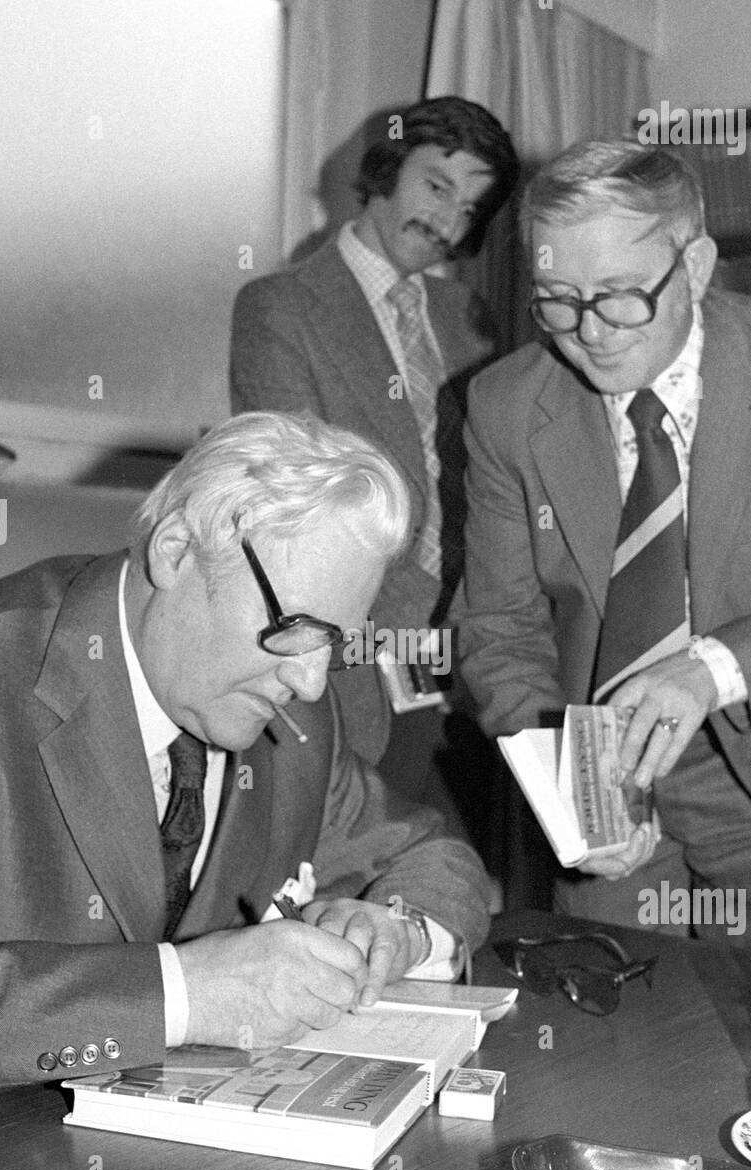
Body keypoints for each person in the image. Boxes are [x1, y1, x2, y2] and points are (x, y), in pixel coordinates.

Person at [0, 413, 490, 1102]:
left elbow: (430, 858)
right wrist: (184, 991)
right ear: (175, 551)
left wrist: (395, 929)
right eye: (296, 630)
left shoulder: (290, 712)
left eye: (337, 644)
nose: (312, 682)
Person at [459, 138, 751, 941]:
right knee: (613, 1043)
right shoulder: (503, 406)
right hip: (605, 794)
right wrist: (570, 788)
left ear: (694, 267)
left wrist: (706, 672)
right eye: (556, 298)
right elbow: (498, 630)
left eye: (620, 295)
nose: (587, 331)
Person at [230, 96, 519, 784]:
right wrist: (421, 622)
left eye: (471, 207)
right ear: (386, 169)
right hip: (359, 662)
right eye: (436, 186)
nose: (448, 221)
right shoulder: (279, 308)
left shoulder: (469, 316)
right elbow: (302, 505)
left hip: (479, 660)